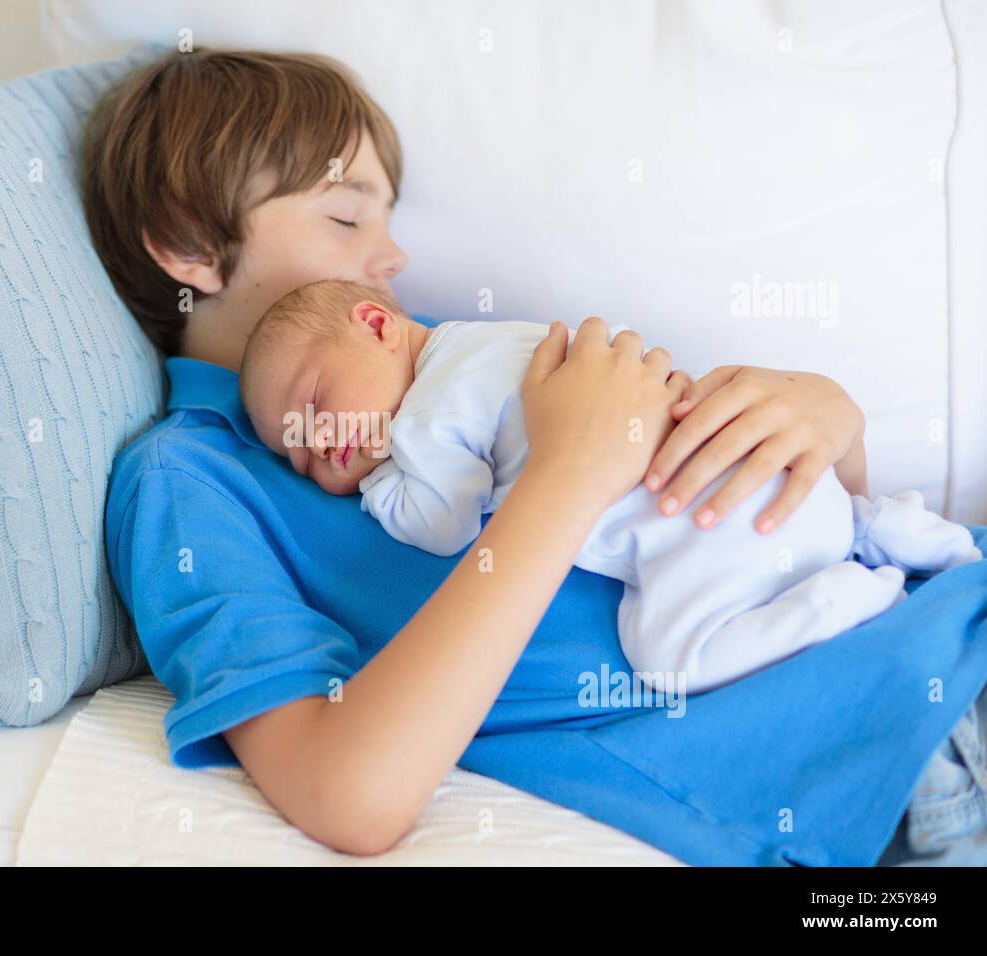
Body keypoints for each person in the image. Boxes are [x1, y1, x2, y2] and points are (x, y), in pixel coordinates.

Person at [82, 48, 987, 864]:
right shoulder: (191, 485)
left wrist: (832, 426)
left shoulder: (429, 347)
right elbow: (347, 796)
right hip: (900, 740)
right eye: (346, 216)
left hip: (944, 593)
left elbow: (743, 507)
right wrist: (565, 476)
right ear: (190, 244)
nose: (390, 256)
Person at [235, 279, 982, 693]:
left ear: (376, 324)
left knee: (666, 657)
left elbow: (444, 525)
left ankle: (842, 598)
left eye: (311, 407)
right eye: (296, 458)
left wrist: (377, 489)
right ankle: (881, 523)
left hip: (705, 515)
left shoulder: (427, 417)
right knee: (804, 522)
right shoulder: (493, 341)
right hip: (782, 482)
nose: (315, 448)